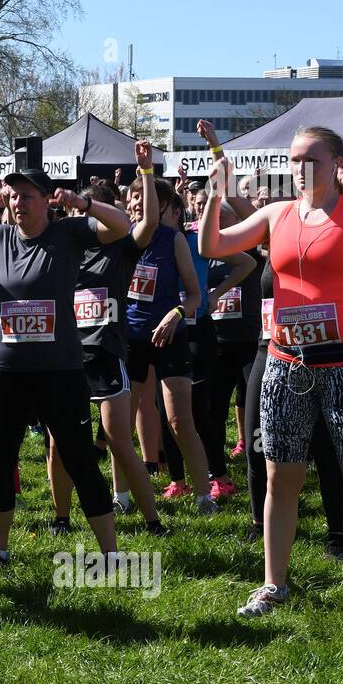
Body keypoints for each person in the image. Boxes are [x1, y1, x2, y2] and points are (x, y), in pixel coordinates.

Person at [199, 126, 343, 623]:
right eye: (295, 160)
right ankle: (273, 584)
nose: (301, 169)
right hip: (286, 364)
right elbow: (212, 245)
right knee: (280, 480)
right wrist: (216, 192)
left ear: (339, 162)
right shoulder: (278, 213)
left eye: (312, 160)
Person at [0, 169, 131, 572]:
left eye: (27, 196)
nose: (18, 202)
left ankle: (111, 554)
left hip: (61, 369)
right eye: (13, 196)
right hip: (5, 368)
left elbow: (122, 226)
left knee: (79, 458)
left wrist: (84, 203)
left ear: (45, 201)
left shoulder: (69, 232)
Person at [52, 144, 164, 535]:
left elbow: (148, 222)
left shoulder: (118, 250)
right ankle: (61, 519)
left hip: (105, 354)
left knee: (119, 442)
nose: (76, 218)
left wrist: (147, 173)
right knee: (57, 445)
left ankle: (152, 522)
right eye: (72, 212)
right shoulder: (61, 249)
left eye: (84, 211)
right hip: (64, 357)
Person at [123, 172, 217, 513]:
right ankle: (120, 497)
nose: (136, 204)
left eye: (142, 198)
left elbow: (195, 295)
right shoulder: (118, 237)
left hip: (169, 336)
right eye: (131, 198)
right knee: (122, 423)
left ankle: (204, 495)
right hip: (129, 339)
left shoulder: (173, 239)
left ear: (161, 207)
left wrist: (177, 313)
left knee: (180, 420)